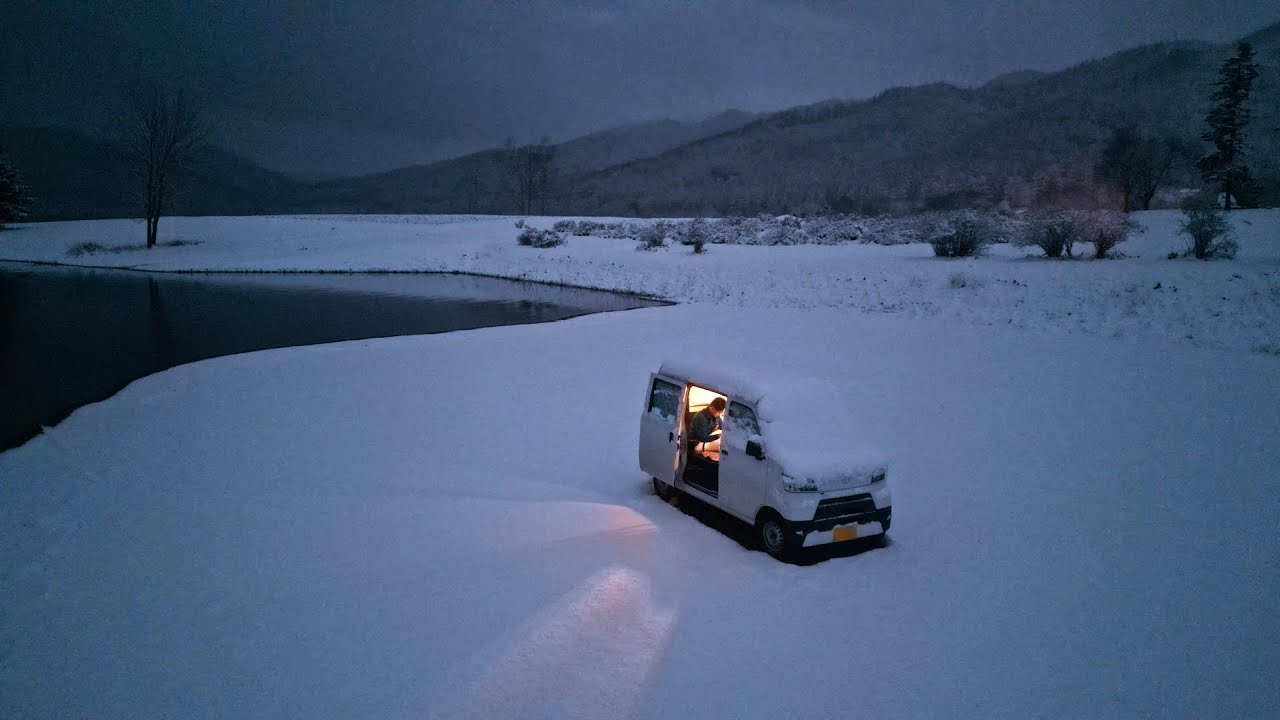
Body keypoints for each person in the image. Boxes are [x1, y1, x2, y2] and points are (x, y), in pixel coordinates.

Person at [687, 397, 726, 461]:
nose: (719, 415)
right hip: (695, 443)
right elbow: (702, 438)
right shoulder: (700, 417)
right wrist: (717, 436)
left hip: (707, 439)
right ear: (712, 408)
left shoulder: (716, 416)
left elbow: (722, 426)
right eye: (718, 412)